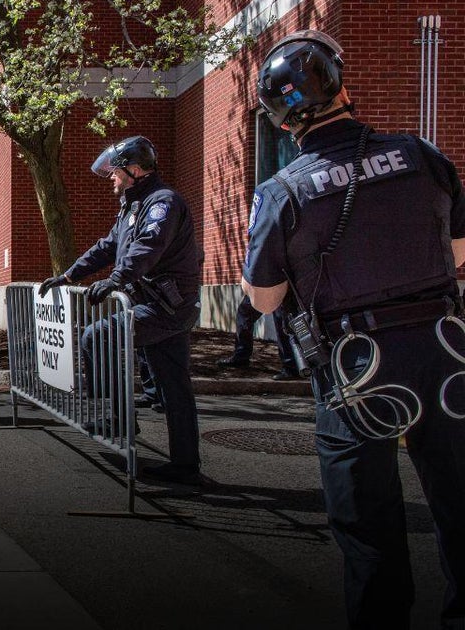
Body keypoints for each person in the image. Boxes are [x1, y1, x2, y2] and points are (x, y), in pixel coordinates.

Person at [245, 30, 465, 629]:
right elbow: (458, 252)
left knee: (368, 529)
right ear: (342, 88)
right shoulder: (421, 155)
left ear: (282, 119)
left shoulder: (281, 192)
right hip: (444, 352)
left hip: (355, 368)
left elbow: (265, 297)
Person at [39, 135, 203, 485]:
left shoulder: (163, 203)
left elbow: (148, 247)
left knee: (96, 336)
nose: (111, 178)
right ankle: (186, 465)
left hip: (166, 307)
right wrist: (68, 275)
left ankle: (120, 419)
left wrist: (115, 279)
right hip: (154, 305)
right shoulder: (132, 206)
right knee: (174, 388)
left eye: (115, 172)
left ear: (135, 170)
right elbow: (107, 247)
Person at [217, 294, 303, 380]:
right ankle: (241, 356)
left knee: (282, 321)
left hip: (280, 289)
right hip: (262, 288)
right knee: (245, 312)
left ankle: (291, 367)